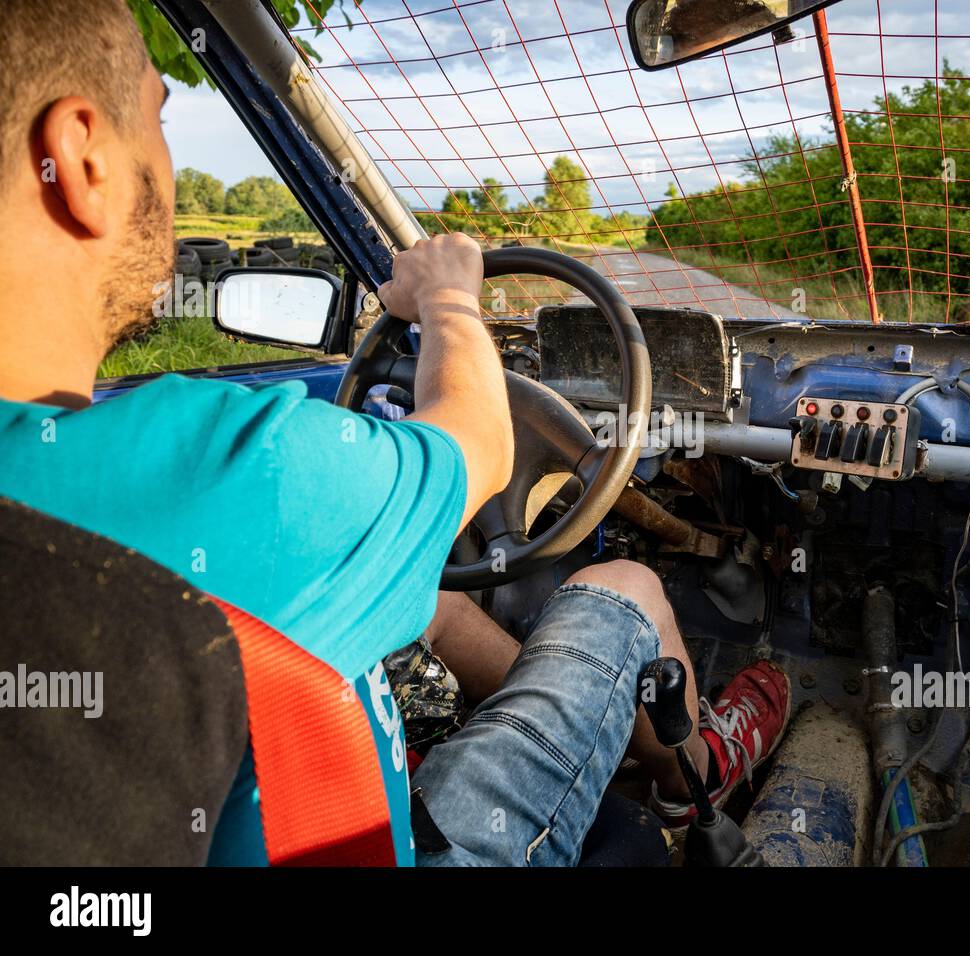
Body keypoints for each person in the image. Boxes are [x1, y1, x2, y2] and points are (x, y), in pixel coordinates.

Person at [0, 0, 790, 865]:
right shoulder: (220, 464)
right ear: (79, 157)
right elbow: (482, 444)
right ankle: (693, 771)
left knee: (438, 600)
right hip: (414, 848)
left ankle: (613, 750)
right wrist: (452, 295)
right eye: (156, 116)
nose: (170, 159)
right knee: (626, 585)